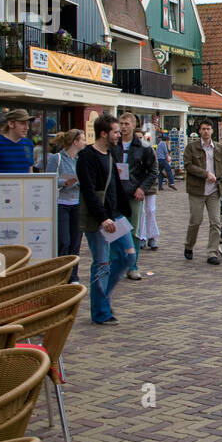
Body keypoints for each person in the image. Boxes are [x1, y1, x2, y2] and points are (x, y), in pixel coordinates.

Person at [78, 115, 134, 324]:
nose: (119, 134)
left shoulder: (111, 154)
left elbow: (116, 185)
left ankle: (103, 296)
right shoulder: (87, 156)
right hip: (98, 218)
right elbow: (89, 191)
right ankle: (101, 312)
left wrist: (124, 211)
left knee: (128, 256)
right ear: (104, 133)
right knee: (101, 263)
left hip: (115, 215)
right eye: (116, 131)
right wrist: (102, 218)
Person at [117, 112, 157, 279]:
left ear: (134, 126)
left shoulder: (144, 147)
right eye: (121, 124)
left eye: (127, 124)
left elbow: (153, 171)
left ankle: (132, 265)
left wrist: (142, 188)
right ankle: (118, 264)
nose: (124, 127)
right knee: (116, 230)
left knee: (133, 230)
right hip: (116, 193)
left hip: (133, 193)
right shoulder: (113, 146)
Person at [182, 118, 222, 264]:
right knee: (196, 221)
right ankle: (189, 246)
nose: (206, 131)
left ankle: (212, 253)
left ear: (212, 131)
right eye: (203, 129)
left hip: (214, 190)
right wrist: (206, 174)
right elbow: (188, 166)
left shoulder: (220, 148)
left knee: (216, 222)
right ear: (199, 131)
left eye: (208, 129)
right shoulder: (192, 147)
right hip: (197, 190)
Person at [49, 129, 85, 283]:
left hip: (77, 203)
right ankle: (61, 274)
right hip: (61, 203)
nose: (85, 142)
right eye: (83, 139)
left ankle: (73, 275)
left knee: (76, 242)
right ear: (75, 142)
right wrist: (64, 182)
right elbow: (48, 180)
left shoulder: (81, 159)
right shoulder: (56, 158)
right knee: (64, 241)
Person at [0, 108, 35, 173]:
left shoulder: (28, 144)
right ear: (10, 124)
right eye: (22, 123)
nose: (27, 128)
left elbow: (30, 172)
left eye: (27, 124)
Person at [134, 127, 161, 253]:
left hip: (149, 185)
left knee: (150, 210)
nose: (139, 140)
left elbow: (154, 170)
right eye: (137, 137)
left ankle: (153, 236)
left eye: (140, 137)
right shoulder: (132, 152)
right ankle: (142, 237)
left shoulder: (149, 150)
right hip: (136, 186)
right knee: (141, 212)